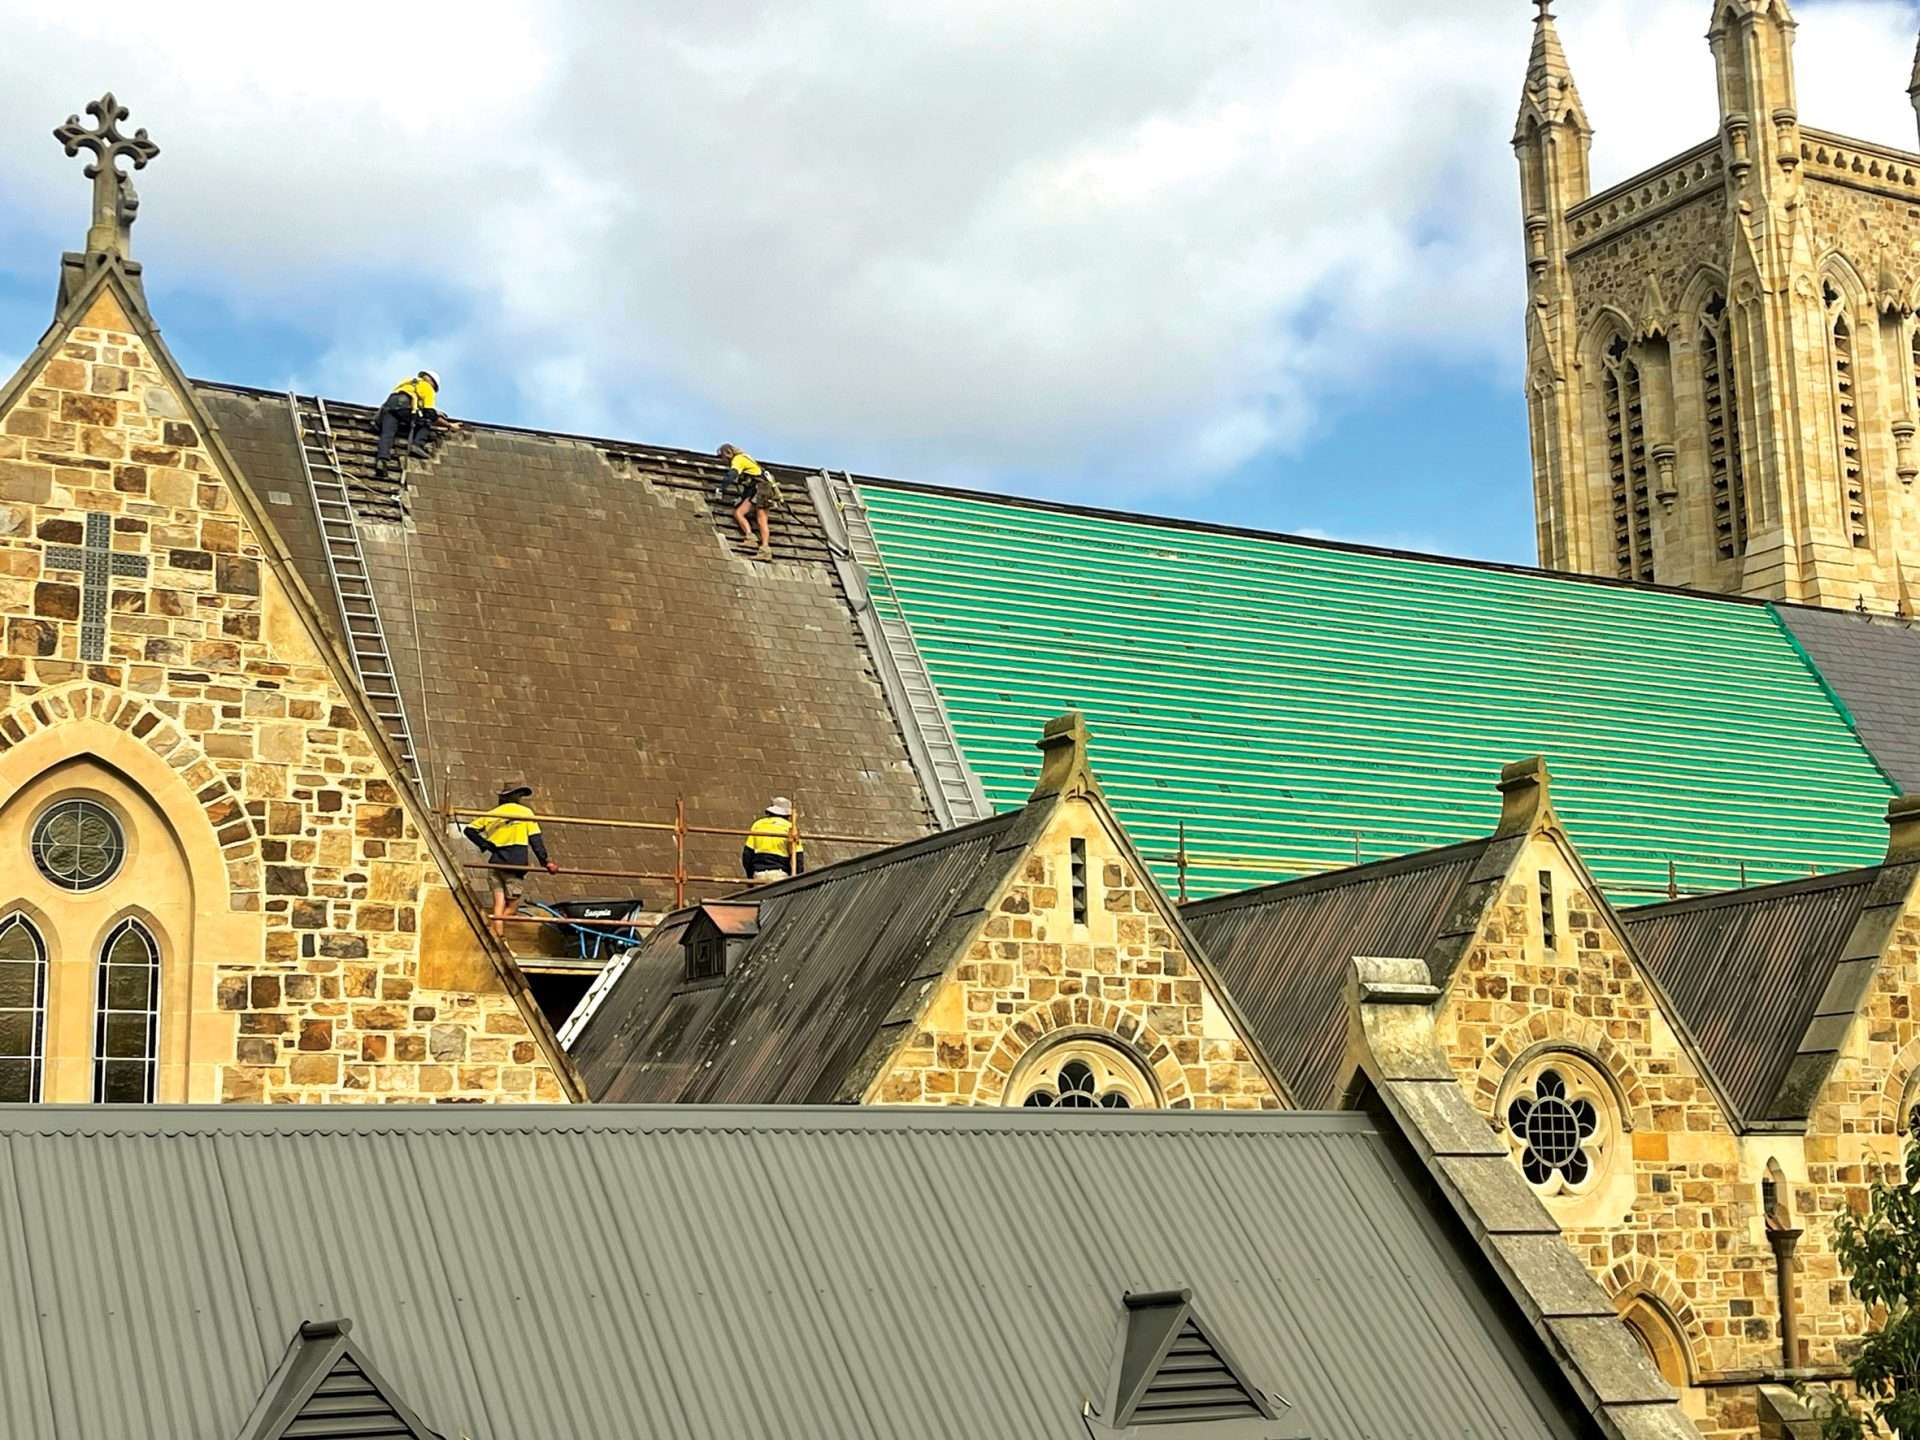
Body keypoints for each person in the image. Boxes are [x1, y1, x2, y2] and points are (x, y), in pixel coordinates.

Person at [463, 782, 558, 939]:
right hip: (515, 864)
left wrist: (486, 845)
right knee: (512, 907)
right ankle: (491, 932)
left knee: (498, 905)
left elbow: (469, 829)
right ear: (517, 796)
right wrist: (546, 862)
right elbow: (536, 841)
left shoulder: (493, 813)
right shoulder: (525, 812)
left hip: (495, 863)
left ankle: (499, 936)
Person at [374, 369, 455, 474]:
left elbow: (414, 401)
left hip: (389, 408)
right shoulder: (427, 388)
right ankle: (417, 445)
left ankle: (382, 461)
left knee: (387, 435)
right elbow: (429, 413)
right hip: (404, 409)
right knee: (427, 421)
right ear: (432, 382)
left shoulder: (407, 381)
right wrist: (449, 425)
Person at [718, 443, 782, 562]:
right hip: (756, 490)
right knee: (739, 513)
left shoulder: (738, 459)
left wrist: (722, 488)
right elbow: (750, 484)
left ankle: (765, 550)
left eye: (723, 457)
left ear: (727, 453)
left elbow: (732, 474)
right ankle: (750, 538)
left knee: (761, 519)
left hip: (763, 490)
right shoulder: (744, 458)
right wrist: (742, 499)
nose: (724, 460)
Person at [741, 796, 806, 883]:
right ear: (788, 814)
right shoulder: (790, 828)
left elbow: (747, 855)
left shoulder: (758, 825)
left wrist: (750, 877)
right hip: (780, 874)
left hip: (759, 874)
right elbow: (798, 859)